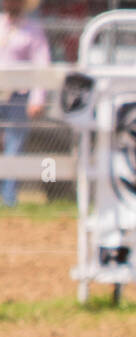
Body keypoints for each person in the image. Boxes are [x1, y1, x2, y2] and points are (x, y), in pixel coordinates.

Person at [0, 0, 50, 208]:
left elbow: (42, 64)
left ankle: (8, 198)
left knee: (14, 145)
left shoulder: (33, 29)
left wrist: (38, 98)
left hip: (18, 96)